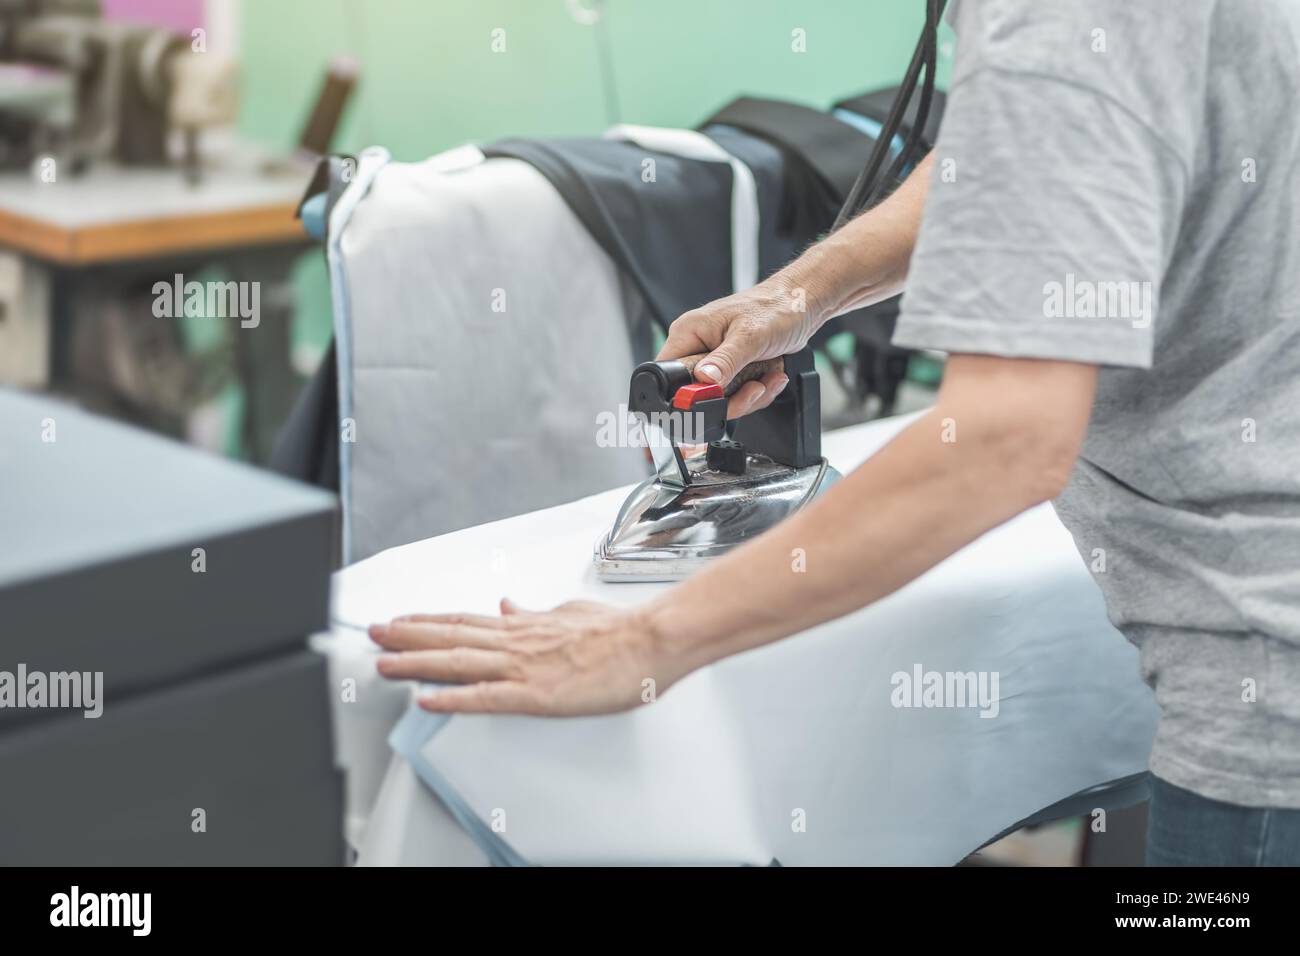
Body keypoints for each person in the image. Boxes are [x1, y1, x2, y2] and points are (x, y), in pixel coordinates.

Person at [368, 0, 1300, 865]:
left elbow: (1003, 438)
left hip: (1263, 710)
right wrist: (804, 293)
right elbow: (1031, 159)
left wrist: (643, 645)